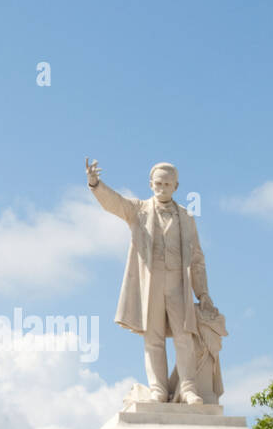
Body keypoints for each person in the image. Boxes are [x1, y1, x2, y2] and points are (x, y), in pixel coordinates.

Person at [85, 158, 222, 404]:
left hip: (177, 283)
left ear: (176, 186)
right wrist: (96, 184)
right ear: (150, 184)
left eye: (167, 183)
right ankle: (158, 388)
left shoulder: (186, 217)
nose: (162, 187)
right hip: (151, 281)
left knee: (185, 336)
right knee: (153, 337)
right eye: (158, 183)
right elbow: (115, 203)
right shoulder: (139, 210)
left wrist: (202, 293)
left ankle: (189, 388)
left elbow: (197, 258)